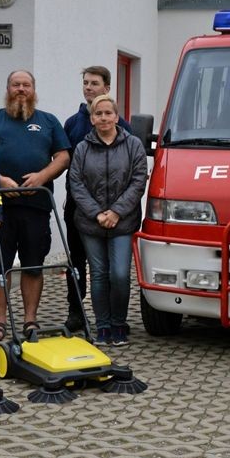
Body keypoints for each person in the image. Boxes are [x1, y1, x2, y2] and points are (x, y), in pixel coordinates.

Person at [0, 70, 70, 341]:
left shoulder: (48, 121)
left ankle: (30, 320)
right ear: (7, 88)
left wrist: (42, 176)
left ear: (34, 89)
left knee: (33, 265)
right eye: (15, 84)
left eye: (26, 85)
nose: (21, 89)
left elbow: (63, 156)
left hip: (36, 206)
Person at [68, 94, 148, 347]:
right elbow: (76, 183)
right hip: (90, 224)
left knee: (121, 274)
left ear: (116, 116)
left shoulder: (133, 144)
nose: (103, 117)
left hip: (123, 222)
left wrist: (115, 212)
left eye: (108, 113)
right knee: (99, 274)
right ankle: (102, 325)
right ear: (92, 118)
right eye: (98, 114)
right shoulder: (82, 147)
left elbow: (138, 180)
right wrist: (97, 213)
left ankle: (118, 322)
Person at [62, 66, 131, 332]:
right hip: (80, 209)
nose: (89, 87)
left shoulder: (122, 127)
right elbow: (70, 169)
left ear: (107, 88)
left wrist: (116, 209)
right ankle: (76, 312)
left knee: (114, 269)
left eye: (94, 83)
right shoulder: (72, 123)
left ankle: (114, 318)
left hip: (116, 213)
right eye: (86, 83)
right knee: (76, 262)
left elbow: (132, 173)